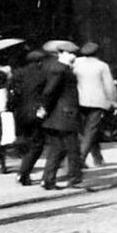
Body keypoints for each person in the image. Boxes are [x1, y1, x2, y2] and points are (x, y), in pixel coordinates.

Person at [38, 41, 83, 190]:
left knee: (58, 148)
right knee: (72, 148)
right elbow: (50, 92)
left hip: (58, 116)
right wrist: (44, 107)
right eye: (71, 54)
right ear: (62, 54)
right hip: (65, 115)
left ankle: (48, 179)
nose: (73, 56)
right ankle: (74, 177)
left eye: (74, 54)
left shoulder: (61, 69)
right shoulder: (61, 70)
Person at [74, 41, 117, 168]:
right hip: (97, 101)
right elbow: (109, 86)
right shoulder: (102, 66)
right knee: (91, 130)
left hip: (79, 100)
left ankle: (98, 157)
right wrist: (113, 102)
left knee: (86, 131)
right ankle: (80, 159)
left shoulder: (76, 64)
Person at [11, 49, 47, 186]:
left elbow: (13, 93)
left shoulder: (18, 73)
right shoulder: (42, 75)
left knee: (27, 143)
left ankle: (24, 174)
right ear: (39, 62)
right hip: (35, 112)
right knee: (37, 145)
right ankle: (23, 172)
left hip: (20, 114)